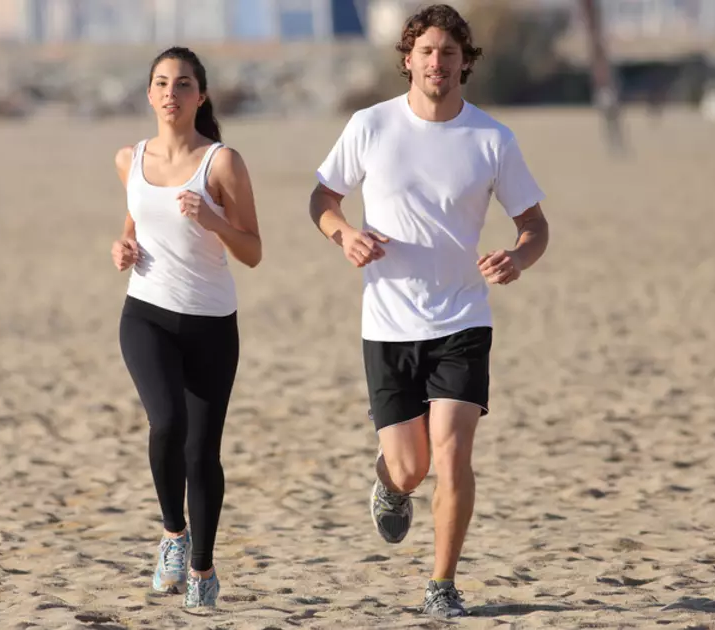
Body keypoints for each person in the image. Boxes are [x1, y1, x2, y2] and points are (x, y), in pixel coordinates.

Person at [308, 4, 550, 619]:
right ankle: (389, 482)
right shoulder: (371, 125)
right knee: (412, 467)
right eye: (426, 51)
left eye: (448, 52)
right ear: (408, 60)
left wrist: (519, 258)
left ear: (464, 62)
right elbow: (323, 198)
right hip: (387, 322)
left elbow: (535, 226)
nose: (436, 62)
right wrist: (344, 235)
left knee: (452, 455)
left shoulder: (492, 139)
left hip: (462, 318)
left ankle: (441, 584)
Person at [110, 46, 261, 609]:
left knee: (203, 453)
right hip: (145, 314)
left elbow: (253, 250)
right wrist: (121, 246)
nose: (171, 93)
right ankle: (174, 534)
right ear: (149, 94)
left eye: (183, 84)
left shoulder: (222, 163)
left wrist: (213, 218)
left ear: (201, 96)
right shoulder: (129, 158)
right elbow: (132, 221)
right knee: (166, 422)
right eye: (161, 83)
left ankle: (202, 568)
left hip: (212, 324)